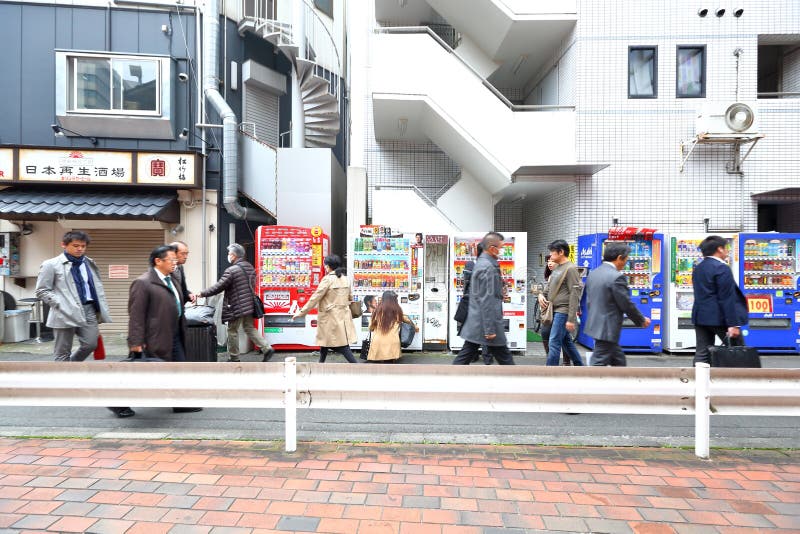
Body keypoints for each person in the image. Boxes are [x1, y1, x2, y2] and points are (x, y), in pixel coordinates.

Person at [120, 245, 201, 417]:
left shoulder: (172, 279)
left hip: (175, 332)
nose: (175, 263)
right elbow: (136, 315)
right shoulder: (143, 282)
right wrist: (135, 342)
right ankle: (119, 403)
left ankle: (180, 403)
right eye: (171, 260)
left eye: (175, 260)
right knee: (145, 374)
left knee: (178, 367)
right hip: (154, 336)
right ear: (158, 261)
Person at [35, 230, 112, 362]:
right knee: (62, 352)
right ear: (64, 245)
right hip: (63, 311)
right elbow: (42, 290)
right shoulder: (51, 264)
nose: (80, 249)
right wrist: (60, 303)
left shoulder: (88, 263)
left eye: (83, 246)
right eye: (76, 246)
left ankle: (72, 366)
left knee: (90, 344)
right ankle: (63, 378)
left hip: (88, 309)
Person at [193, 244, 275, 363]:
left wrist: (202, 293)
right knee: (249, 327)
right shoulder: (249, 267)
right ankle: (267, 348)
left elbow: (218, 287)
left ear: (234, 255)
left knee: (232, 331)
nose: (228, 256)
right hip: (249, 304)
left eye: (229, 254)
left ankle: (234, 357)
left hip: (236, 306)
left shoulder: (231, 270)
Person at [583, 242, 651, 366]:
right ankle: (590, 383)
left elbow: (590, 300)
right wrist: (641, 320)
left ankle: (620, 383)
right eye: (626, 259)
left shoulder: (594, 273)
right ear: (619, 258)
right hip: (607, 327)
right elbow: (626, 304)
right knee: (598, 362)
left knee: (618, 360)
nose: (625, 263)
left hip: (595, 323)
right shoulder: (616, 277)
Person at [452, 232, 515, 365]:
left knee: (465, 355)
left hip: (478, 322)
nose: (502, 251)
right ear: (493, 248)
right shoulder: (488, 267)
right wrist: (490, 329)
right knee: (505, 359)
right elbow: (487, 300)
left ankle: (449, 378)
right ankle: (517, 382)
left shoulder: (483, 263)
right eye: (501, 247)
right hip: (487, 324)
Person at [692, 235, 748, 365]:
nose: (727, 250)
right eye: (726, 248)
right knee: (737, 349)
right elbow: (727, 298)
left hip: (700, 316)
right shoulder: (722, 268)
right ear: (720, 249)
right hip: (719, 317)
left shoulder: (698, 268)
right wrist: (733, 324)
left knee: (702, 352)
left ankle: (698, 380)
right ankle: (740, 379)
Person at [292, 254, 358, 363]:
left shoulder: (327, 279)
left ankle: (357, 367)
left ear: (327, 266)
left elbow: (315, 297)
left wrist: (301, 312)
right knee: (325, 342)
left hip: (330, 318)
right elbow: (350, 297)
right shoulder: (346, 279)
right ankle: (320, 364)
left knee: (341, 346)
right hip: (343, 316)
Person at [539, 239, 584, 366]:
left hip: (563, 311)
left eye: (552, 253)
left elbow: (575, 294)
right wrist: (541, 295)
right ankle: (580, 366)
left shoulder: (571, 269)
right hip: (554, 309)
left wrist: (571, 319)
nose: (551, 256)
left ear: (561, 252)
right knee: (566, 342)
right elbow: (549, 287)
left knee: (553, 342)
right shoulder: (558, 268)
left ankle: (551, 372)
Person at [366, 290, 417, 362]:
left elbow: (371, 327)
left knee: (376, 369)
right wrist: (415, 327)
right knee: (389, 367)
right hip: (392, 343)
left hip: (378, 343)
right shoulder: (397, 311)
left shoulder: (377, 311)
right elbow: (407, 320)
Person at [169, 240, 194, 305]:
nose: (186, 257)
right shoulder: (164, 269)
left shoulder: (180, 267)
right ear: (173, 253)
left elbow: (181, 288)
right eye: (183, 253)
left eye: (187, 253)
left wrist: (189, 294)